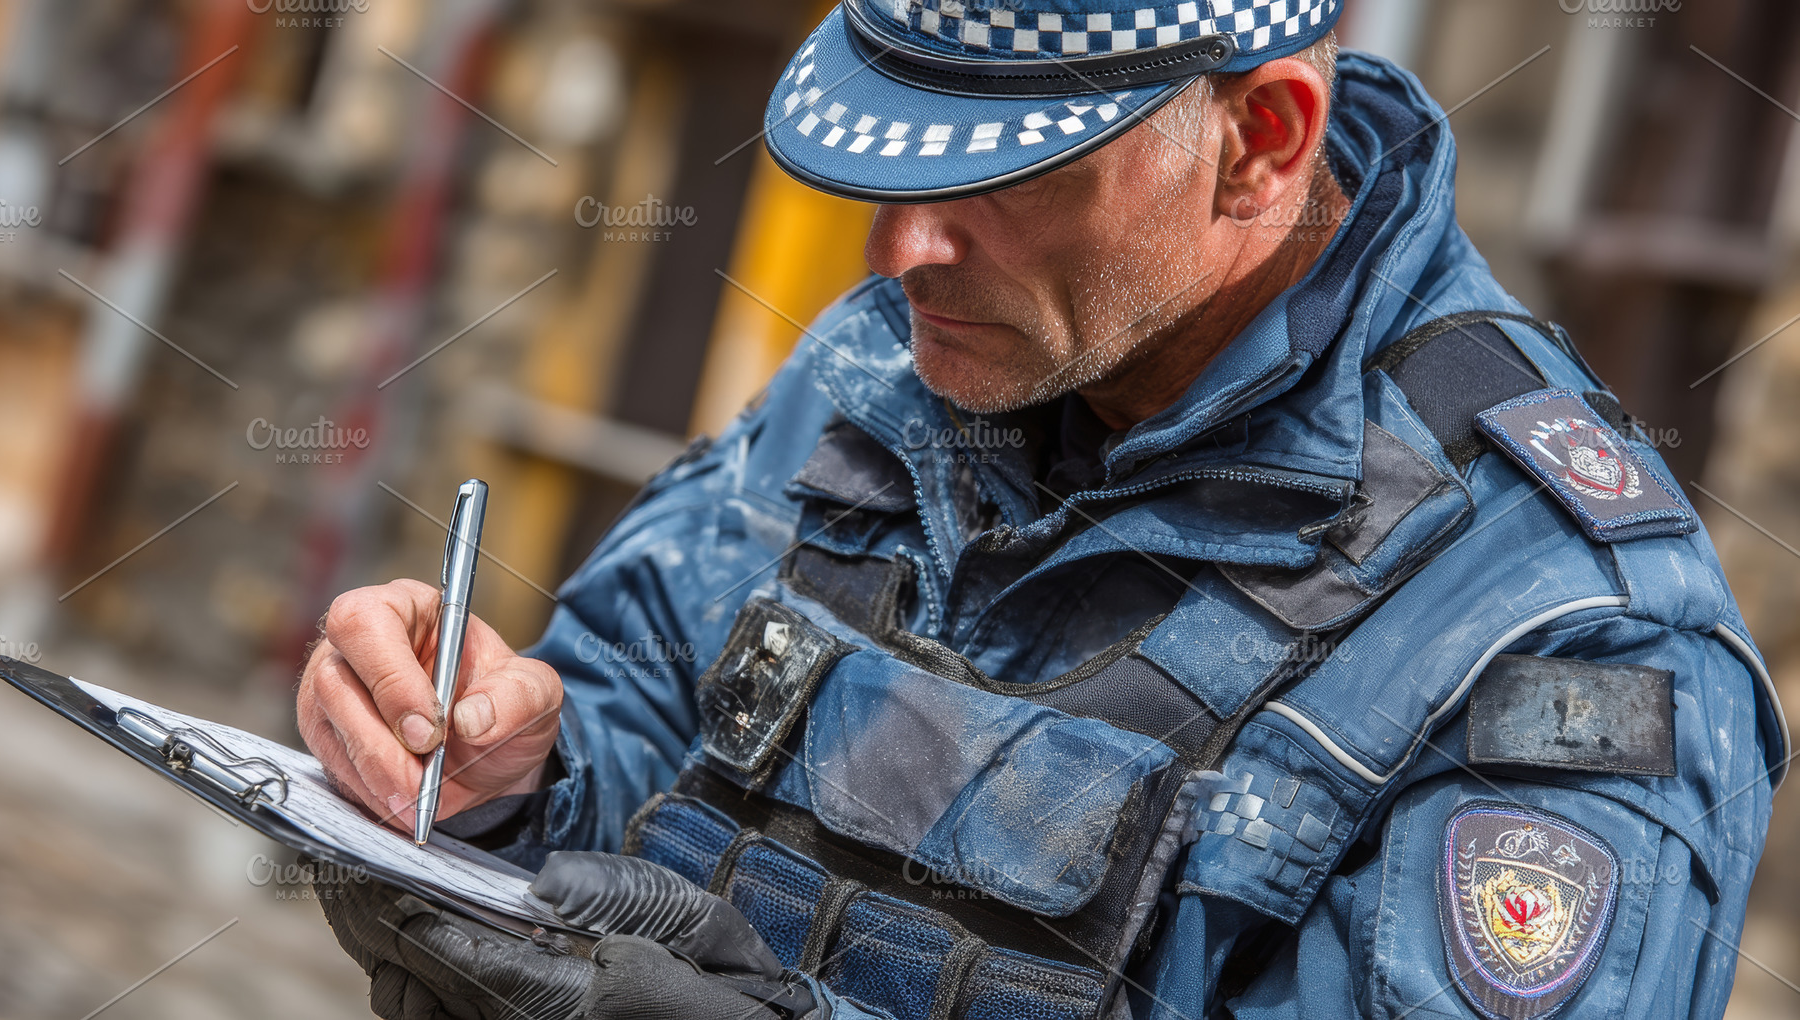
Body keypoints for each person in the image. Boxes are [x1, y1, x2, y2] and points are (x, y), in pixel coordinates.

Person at [298, 1, 1787, 1017]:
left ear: (1262, 142)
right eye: (887, 165)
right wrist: (494, 779)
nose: (899, 254)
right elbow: (637, 727)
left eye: (1005, 175)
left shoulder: (1566, 646)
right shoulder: (910, 360)